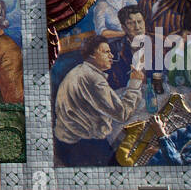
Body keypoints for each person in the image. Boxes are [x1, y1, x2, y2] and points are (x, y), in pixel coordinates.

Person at [53, 35, 143, 166]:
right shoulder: (94, 80)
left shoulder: (80, 71)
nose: (111, 56)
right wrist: (135, 84)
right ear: (92, 55)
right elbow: (123, 114)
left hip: (64, 141)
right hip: (81, 147)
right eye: (106, 52)